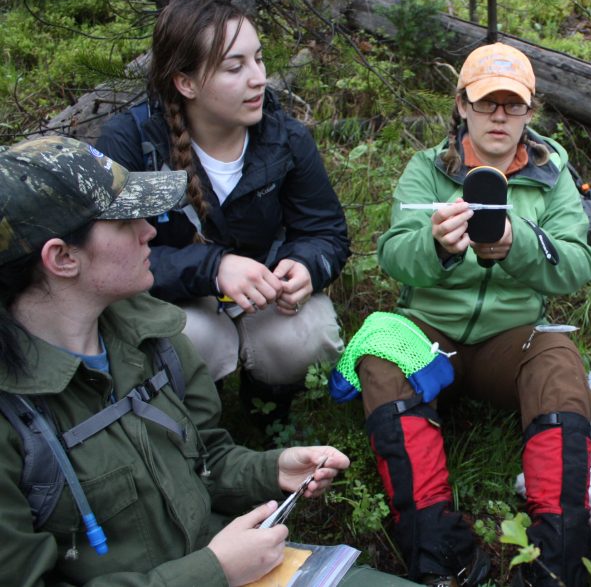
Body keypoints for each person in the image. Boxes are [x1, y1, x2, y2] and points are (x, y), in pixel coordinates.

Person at [0, 136, 408, 586]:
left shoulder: (149, 336)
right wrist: (214, 571)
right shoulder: (11, 416)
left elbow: (204, 457)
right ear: (62, 257)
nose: (149, 231)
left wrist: (270, 469)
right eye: (125, 221)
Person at [339, 43, 591, 587]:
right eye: (486, 103)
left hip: (512, 338)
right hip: (432, 335)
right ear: (462, 106)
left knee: (559, 363)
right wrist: (436, 246)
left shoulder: (551, 175)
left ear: (530, 110)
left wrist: (519, 242)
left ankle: (556, 557)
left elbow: (577, 265)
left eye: (513, 104)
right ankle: (437, 546)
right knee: (382, 359)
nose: (499, 116)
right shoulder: (428, 169)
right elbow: (392, 253)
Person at [97, 0, 349, 425]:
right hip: (175, 299)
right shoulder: (134, 143)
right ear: (186, 83)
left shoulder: (285, 138)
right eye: (235, 67)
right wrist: (213, 268)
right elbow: (109, 258)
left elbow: (326, 232)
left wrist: (307, 266)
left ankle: (268, 413)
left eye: (259, 60)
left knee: (309, 335)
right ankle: (193, 419)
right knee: (195, 338)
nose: (258, 79)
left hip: (264, 293)